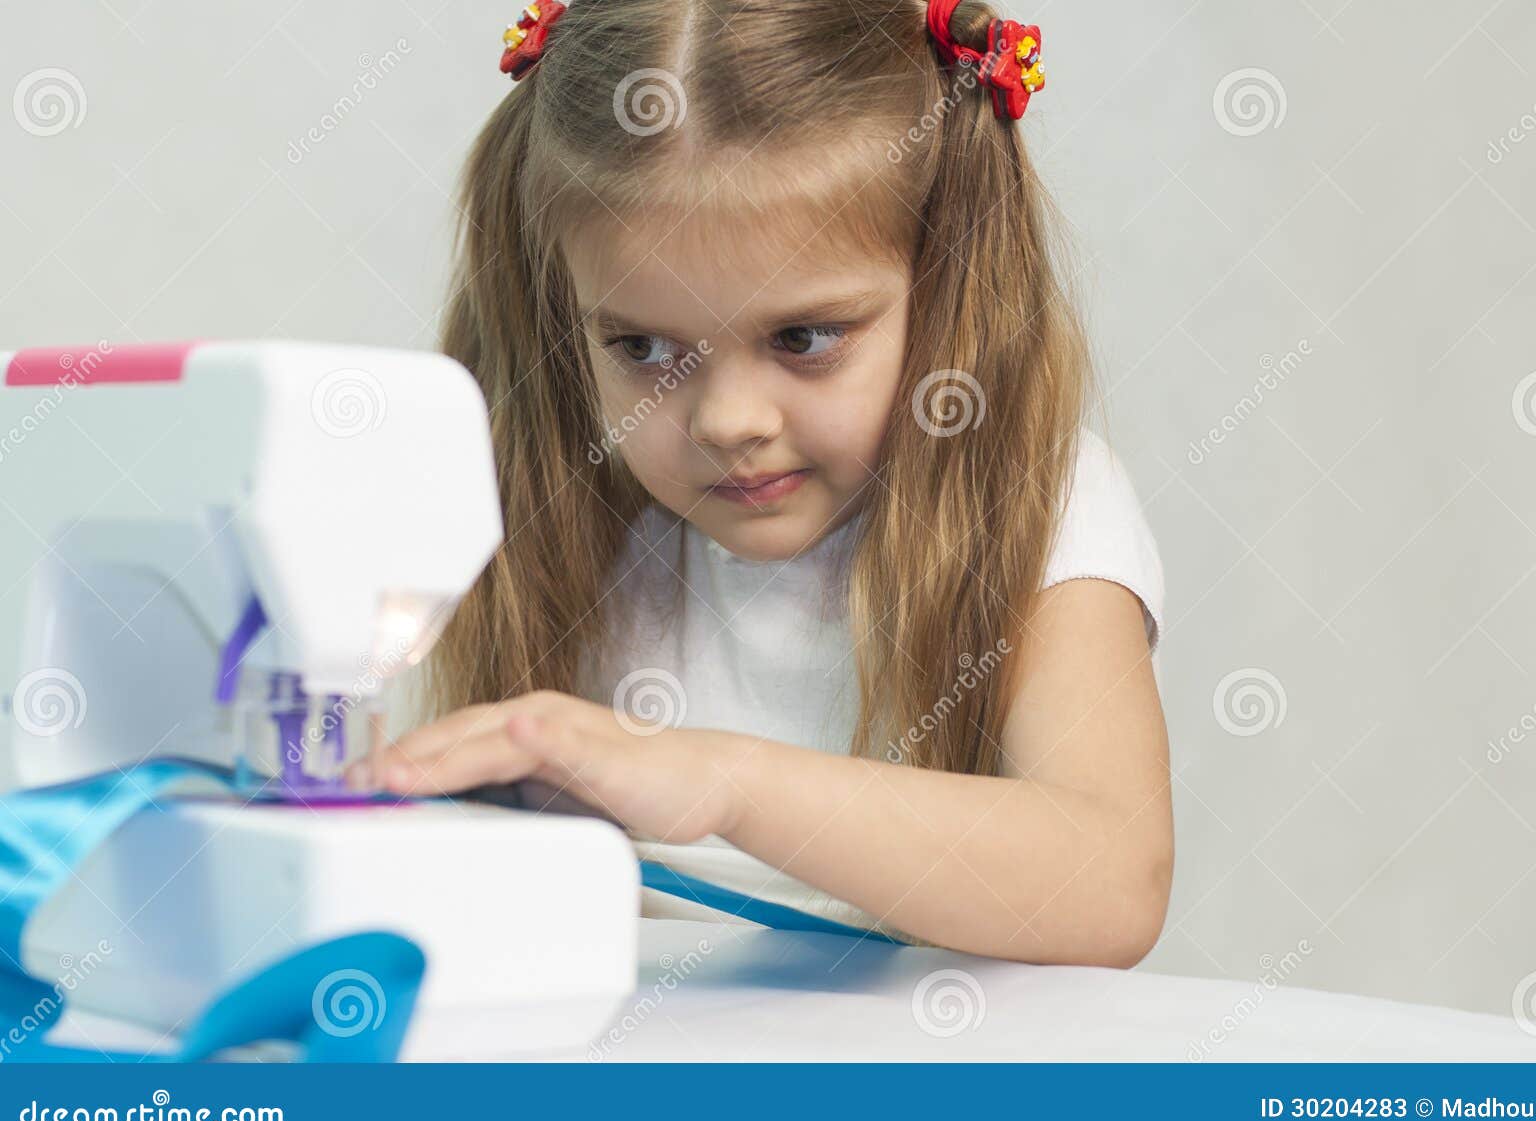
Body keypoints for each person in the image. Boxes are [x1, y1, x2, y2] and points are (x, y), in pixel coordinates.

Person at [353, 0, 1172, 965]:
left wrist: (724, 784)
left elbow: (1113, 882)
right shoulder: (572, 508)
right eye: (643, 346)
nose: (725, 421)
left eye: (804, 337)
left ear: (946, 289)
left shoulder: (1044, 500)